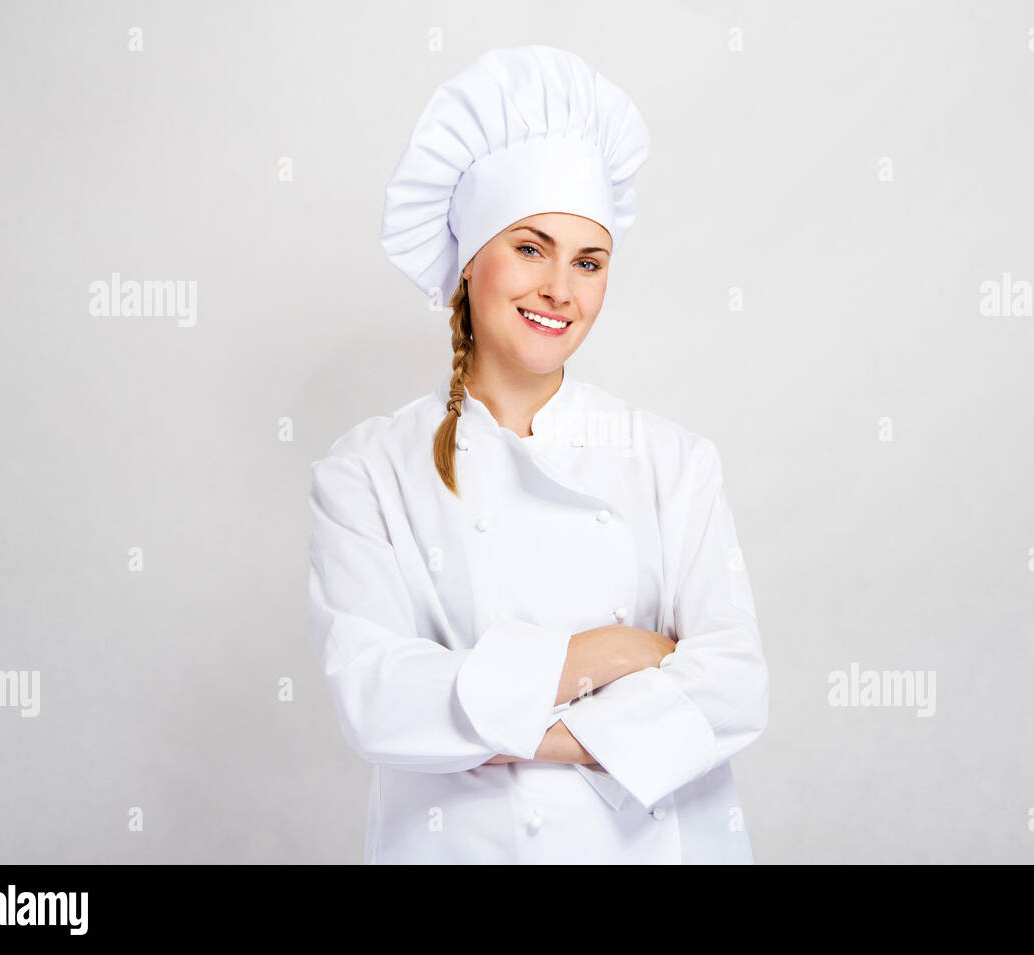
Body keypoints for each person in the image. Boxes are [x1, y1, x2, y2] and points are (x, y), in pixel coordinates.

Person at [306, 44, 769, 864]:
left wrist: (494, 722)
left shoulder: (674, 461)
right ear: (468, 260)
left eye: (588, 261)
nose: (561, 287)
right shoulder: (367, 473)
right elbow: (377, 698)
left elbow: (732, 685)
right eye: (530, 247)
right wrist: (601, 656)